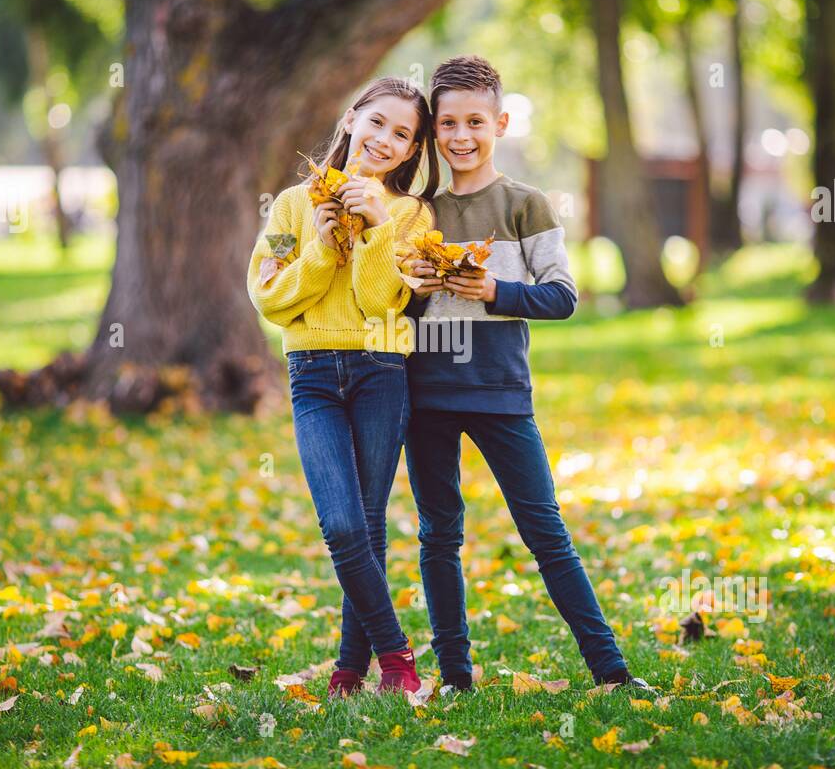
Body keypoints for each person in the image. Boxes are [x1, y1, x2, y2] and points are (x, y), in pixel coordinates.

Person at [401, 55, 652, 693]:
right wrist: (416, 288)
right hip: (426, 392)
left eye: (475, 122)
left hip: (500, 392)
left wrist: (495, 290)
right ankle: (455, 677)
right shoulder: (416, 213)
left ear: (501, 123)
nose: (462, 136)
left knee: (546, 532)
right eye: (449, 123)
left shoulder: (526, 205)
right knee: (439, 536)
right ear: (434, 131)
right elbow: (394, 303)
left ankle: (611, 671)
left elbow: (562, 296)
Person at [246, 77, 436, 696]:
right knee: (344, 526)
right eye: (377, 122)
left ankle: (350, 669)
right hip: (313, 377)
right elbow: (270, 293)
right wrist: (323, 251)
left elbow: (386, 303)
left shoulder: (410, 216)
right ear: (353, 119)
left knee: (371, 523)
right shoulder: (291, 207)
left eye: (402, 135)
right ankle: (396, 654)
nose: (385, 140)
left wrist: (377, 230)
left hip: (383, 371)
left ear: (411, 153)